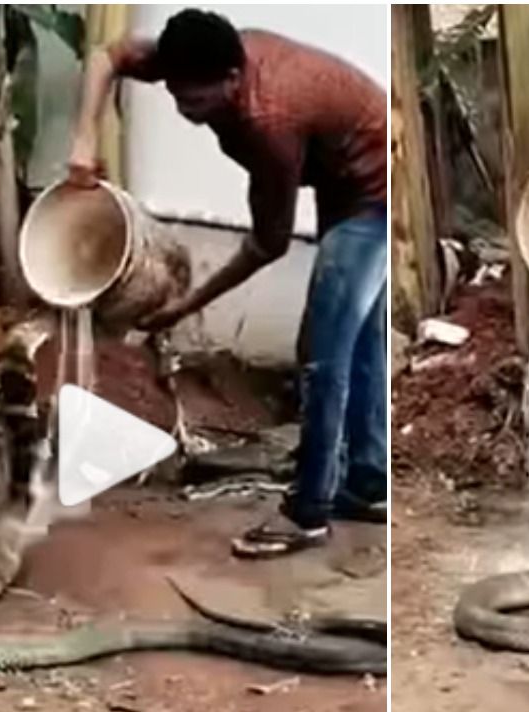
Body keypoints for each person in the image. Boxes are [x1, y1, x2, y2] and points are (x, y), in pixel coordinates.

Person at [69, 9, 387, 557]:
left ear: (234, 81)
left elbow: (269, 243)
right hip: (345, 171)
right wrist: (83, 138)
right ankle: (367, 483)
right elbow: (107, 57)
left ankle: (308, 513)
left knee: (324, 351)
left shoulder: (270, 121)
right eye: (175, 96)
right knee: (360, 342)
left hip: (375, 191)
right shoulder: (194, 59)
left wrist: (183, 305)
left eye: (196, 101)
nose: (184, 110)